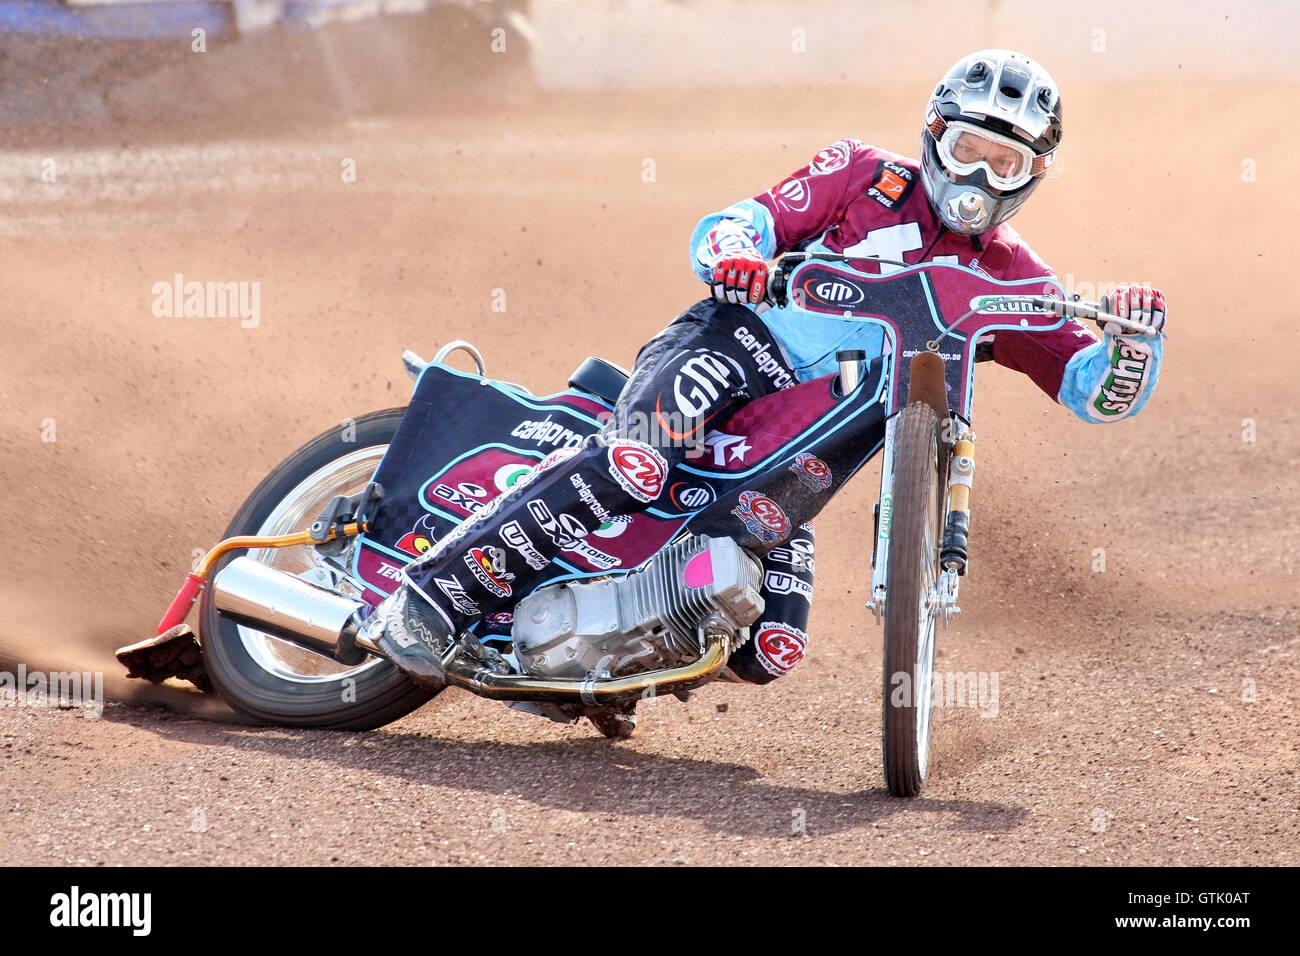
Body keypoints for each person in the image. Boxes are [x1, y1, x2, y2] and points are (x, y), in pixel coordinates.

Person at [371, 48, 1167, 689]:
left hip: (817, 441)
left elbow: (1089, 389)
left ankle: (602, 661)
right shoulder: (864, 172)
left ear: (1033, 177)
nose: (978, 182)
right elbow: (742, 220)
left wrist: (1133, 345)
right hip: (738, 341)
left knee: (767, 647)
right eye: (969, 150)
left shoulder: (1017, 278)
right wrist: (741, 257)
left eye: (1007, 163)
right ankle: (432, 598)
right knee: (637, 457)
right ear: (933, 133)